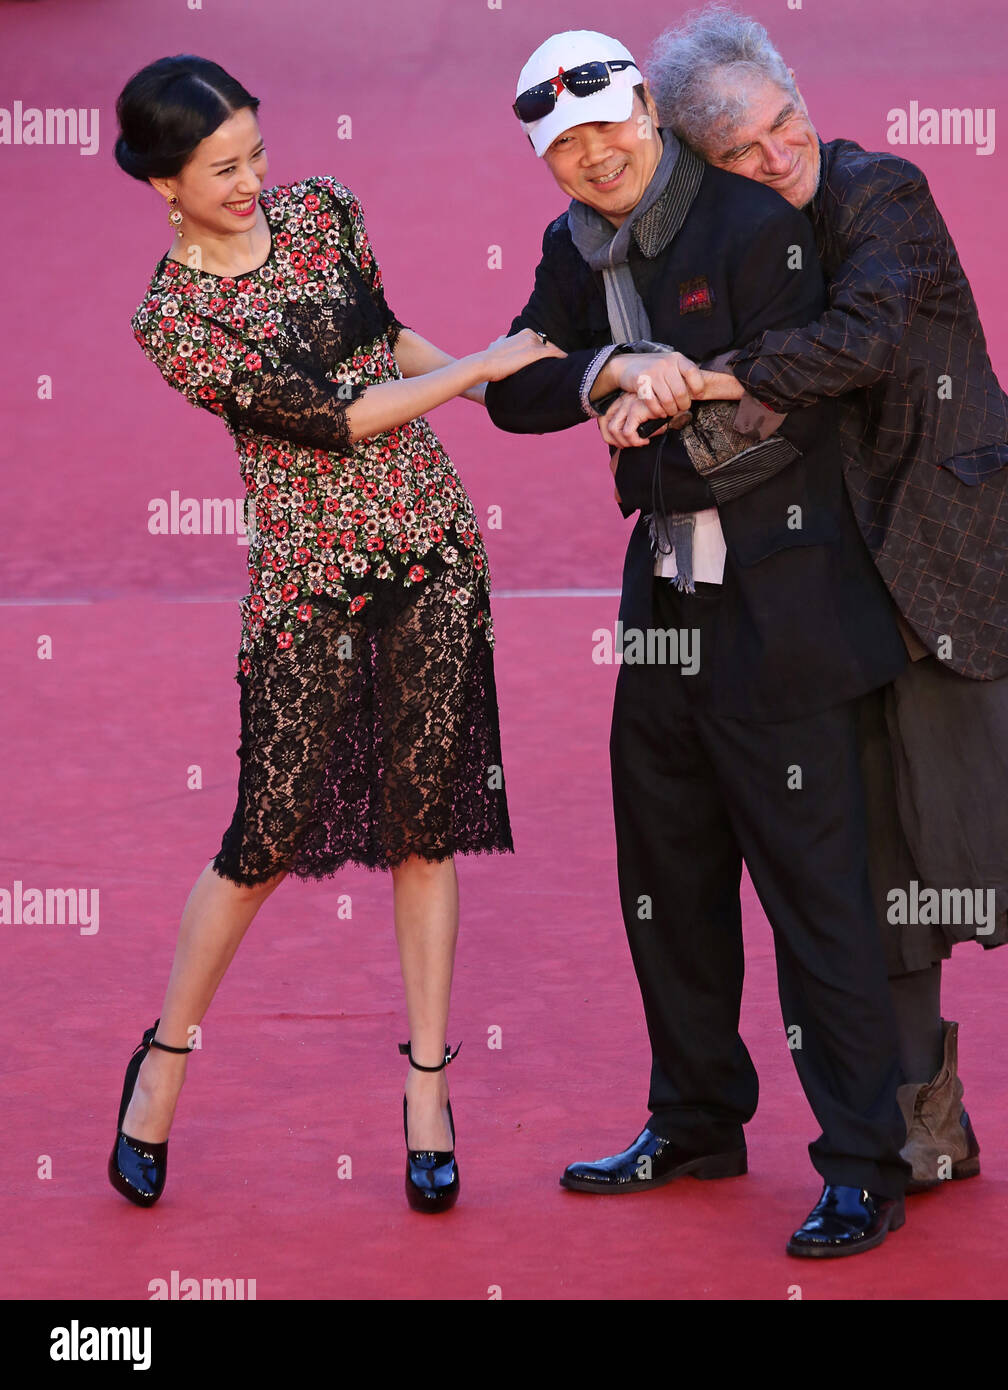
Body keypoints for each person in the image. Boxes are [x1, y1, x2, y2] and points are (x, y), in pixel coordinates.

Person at [601, 5, 1008, 1185]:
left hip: (972, 548)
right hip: (840, 594)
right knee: (884, 868)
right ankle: (921, 1105)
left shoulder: (880, 191)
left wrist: (698, 380)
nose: (777, 153)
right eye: (741, 150)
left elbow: (864, 337)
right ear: (700, 158)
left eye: (783, 122)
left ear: (801, 101)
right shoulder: (716, 252)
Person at [486, 29, 916, 1258]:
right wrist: (616, 366)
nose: (594, 156)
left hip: (789, 608)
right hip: (668, 608)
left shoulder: (749, 226)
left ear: (650, 115)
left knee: (816, 903)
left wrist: (663, 415)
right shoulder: (577, 249)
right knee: (665, 881)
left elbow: (794, 407)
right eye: (564, 147)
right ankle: (694, 1120)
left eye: (609, 126)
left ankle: (860, 1164)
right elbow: (518, 379)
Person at [107, 54, 563, 1213]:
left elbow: (383, 339)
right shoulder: (175, 321)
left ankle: (424, 1086)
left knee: (424, 824)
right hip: (309, 575)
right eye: (224, 168)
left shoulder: (325, 213)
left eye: (257, 151)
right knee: (262, 834)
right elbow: (336, 420)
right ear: (164, 184)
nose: (256, 179)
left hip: (430, 548)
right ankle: (164, 1057)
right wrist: (479, 367)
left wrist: (487, 382)